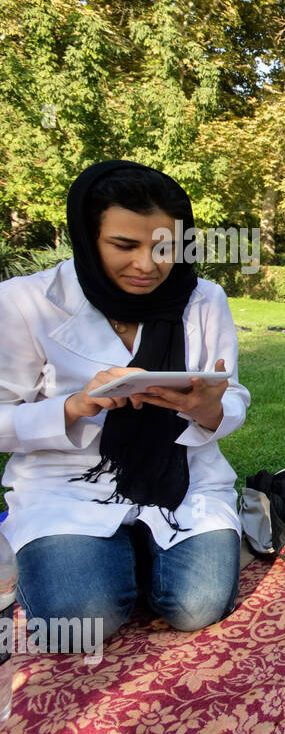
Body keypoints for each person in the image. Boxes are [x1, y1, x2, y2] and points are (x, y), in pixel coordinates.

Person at [0, 160, 250, 650]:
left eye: (164, 247)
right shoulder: (24, 302)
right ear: (87, 238)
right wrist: (73, 407)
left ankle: (131, 545)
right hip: (68, 485)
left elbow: (232, 396)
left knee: (197, 605)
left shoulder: (203, 299)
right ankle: (85, 550)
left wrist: (206, 408)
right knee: (76, 620)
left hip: (183, 478)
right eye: (124, 245)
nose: (147, 265)